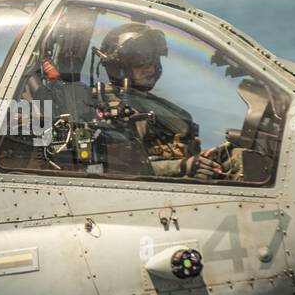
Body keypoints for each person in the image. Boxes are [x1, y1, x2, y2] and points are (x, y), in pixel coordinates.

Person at [97, 22, 239, 181]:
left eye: (153, 60)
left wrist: (204, 159)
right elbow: (122, 170)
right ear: (117, 65)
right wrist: (184, 167)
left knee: (238, 156)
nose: (150, 69)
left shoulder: (152, 105)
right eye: (140, 62)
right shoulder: (112, 111)